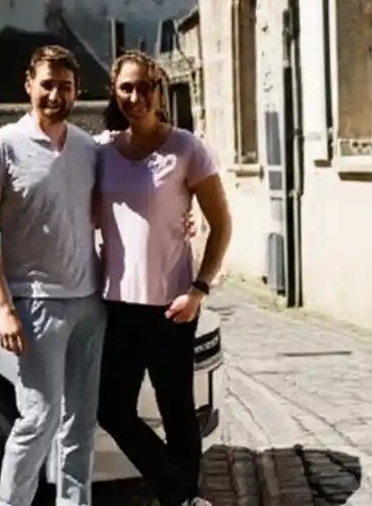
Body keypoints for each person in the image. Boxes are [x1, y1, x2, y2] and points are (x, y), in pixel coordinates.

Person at [93, 49, 232, 506]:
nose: (137, 96)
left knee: (177, 413)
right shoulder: (100, 152)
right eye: (127, 87)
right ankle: (181, 493)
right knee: (112, 409)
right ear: (115, 93)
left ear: (161, 90)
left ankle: (182, 501)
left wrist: (199, 290)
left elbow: (221, 224)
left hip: (173, 307)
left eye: (146, 85)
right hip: (118, 305)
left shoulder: (187, 148)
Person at [0, 45, 106, 506]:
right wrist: (3, 308)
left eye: (65, 86)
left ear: (77, 91)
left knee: (80, 423)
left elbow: (110, 215)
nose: (55, 94)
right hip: (35, 303)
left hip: (90, 301)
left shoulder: (90, 149)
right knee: (38, 419)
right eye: (46, 84)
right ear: (29, 84)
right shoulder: (0, 147)